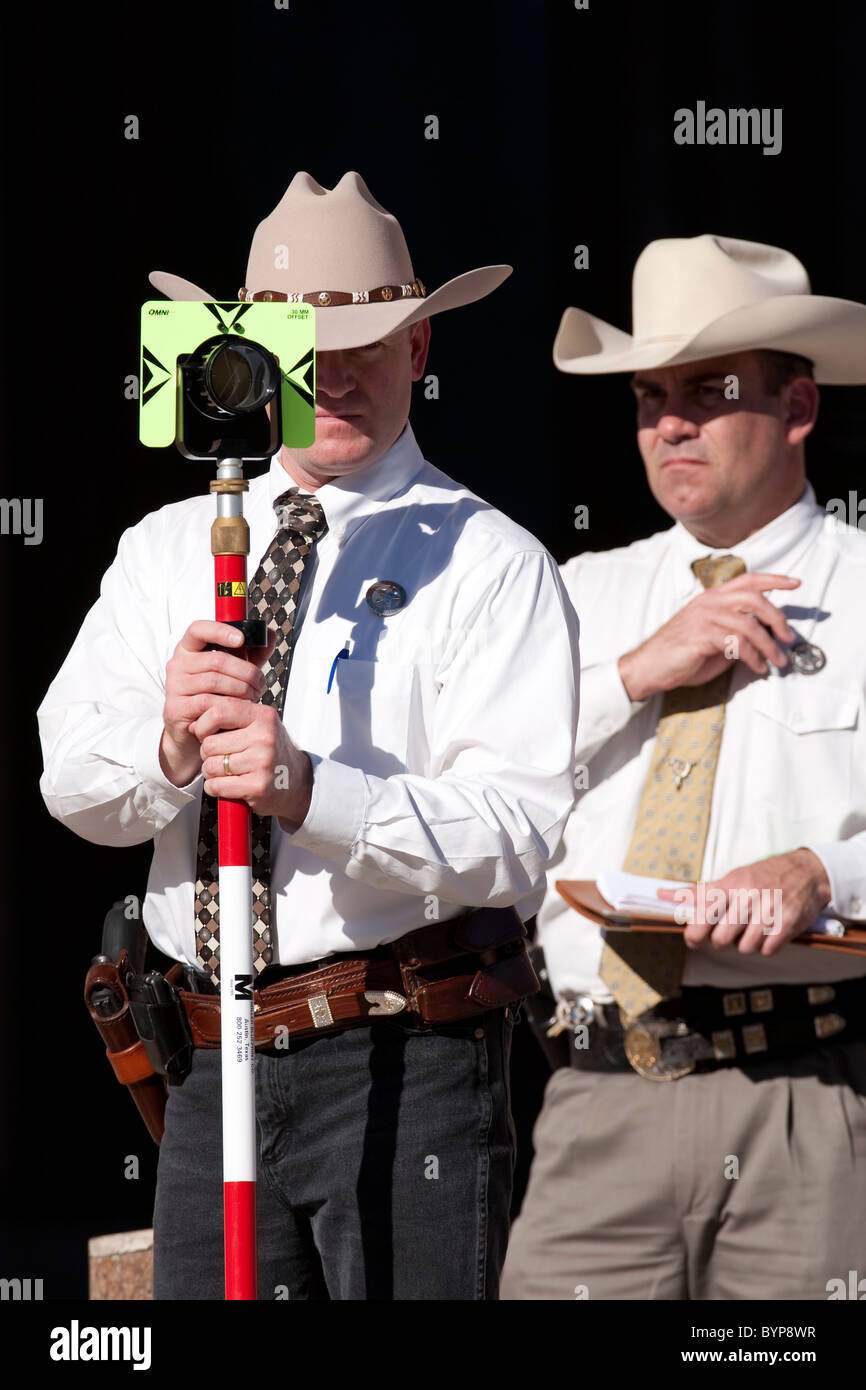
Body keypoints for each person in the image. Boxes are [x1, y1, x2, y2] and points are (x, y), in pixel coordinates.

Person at [38, 171, 580, 1301]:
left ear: (421, 347)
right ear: (244, 346)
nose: (330, 373)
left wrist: (306, 787)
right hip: (204, 1056)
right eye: (298, 341)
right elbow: (67, 777)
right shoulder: (167, 545)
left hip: (404, 1048)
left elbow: (517, 838)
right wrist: (169, 749)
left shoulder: (490, 559)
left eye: (367, 340)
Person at [502, 233, 866, 1301]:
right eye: (647, 397)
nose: (667, 423)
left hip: (800, 1090)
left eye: (706, 391)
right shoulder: (572, 596)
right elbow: (473, 790)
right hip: (596, 1093)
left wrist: (821, 877)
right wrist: (633, 671)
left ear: (795, 409)